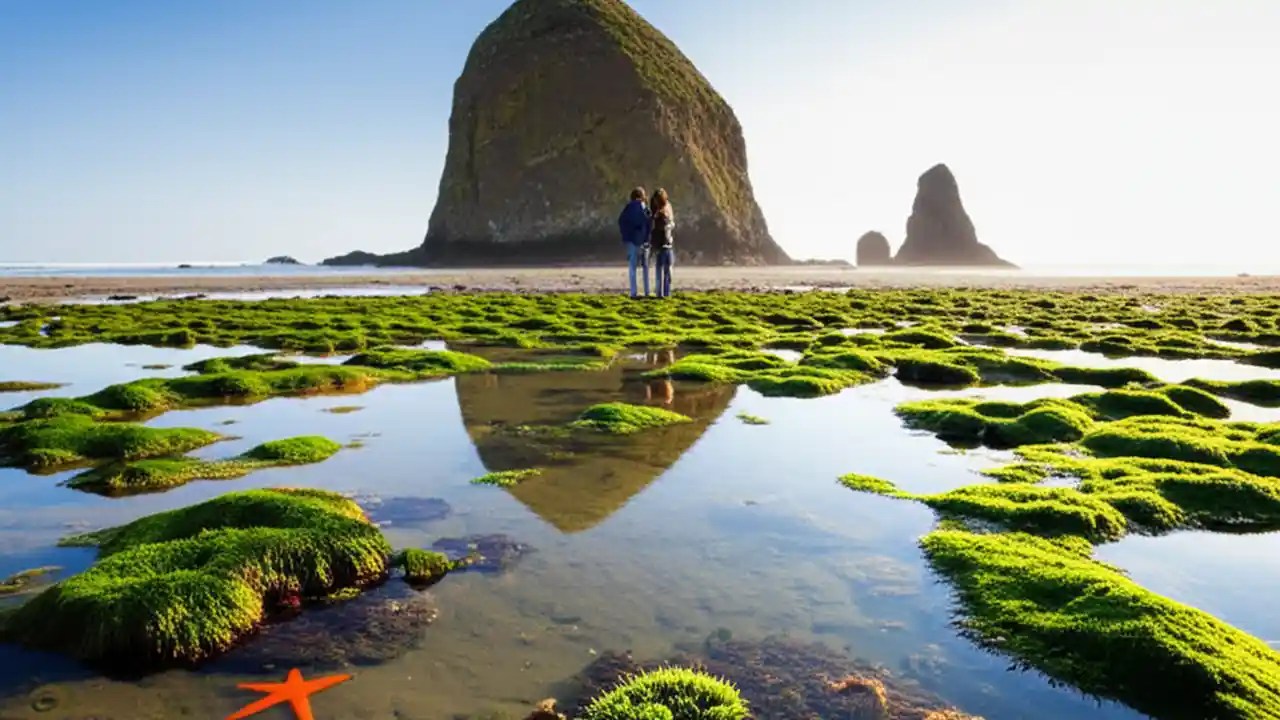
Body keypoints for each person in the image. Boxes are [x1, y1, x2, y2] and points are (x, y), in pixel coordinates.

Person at [617, 187, 652, 298]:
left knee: (632, 267)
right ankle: (647, 291)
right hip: (643, 242)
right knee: (645, 268)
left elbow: (621, 221)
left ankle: (634, 292)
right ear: (642, 196)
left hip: (632, 241)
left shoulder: (628, 209)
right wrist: (648, 238)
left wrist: (626, 236)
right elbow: (649, 224)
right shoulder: (645, 208)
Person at [649, 188, 675, 298]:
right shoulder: (661, 212)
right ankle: (664, 292)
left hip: (662, 244)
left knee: (662, 269)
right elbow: (668, 226)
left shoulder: (659, 213)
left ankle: (661, 292)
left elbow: (667, 226)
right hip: (664, 244)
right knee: (666, 269)